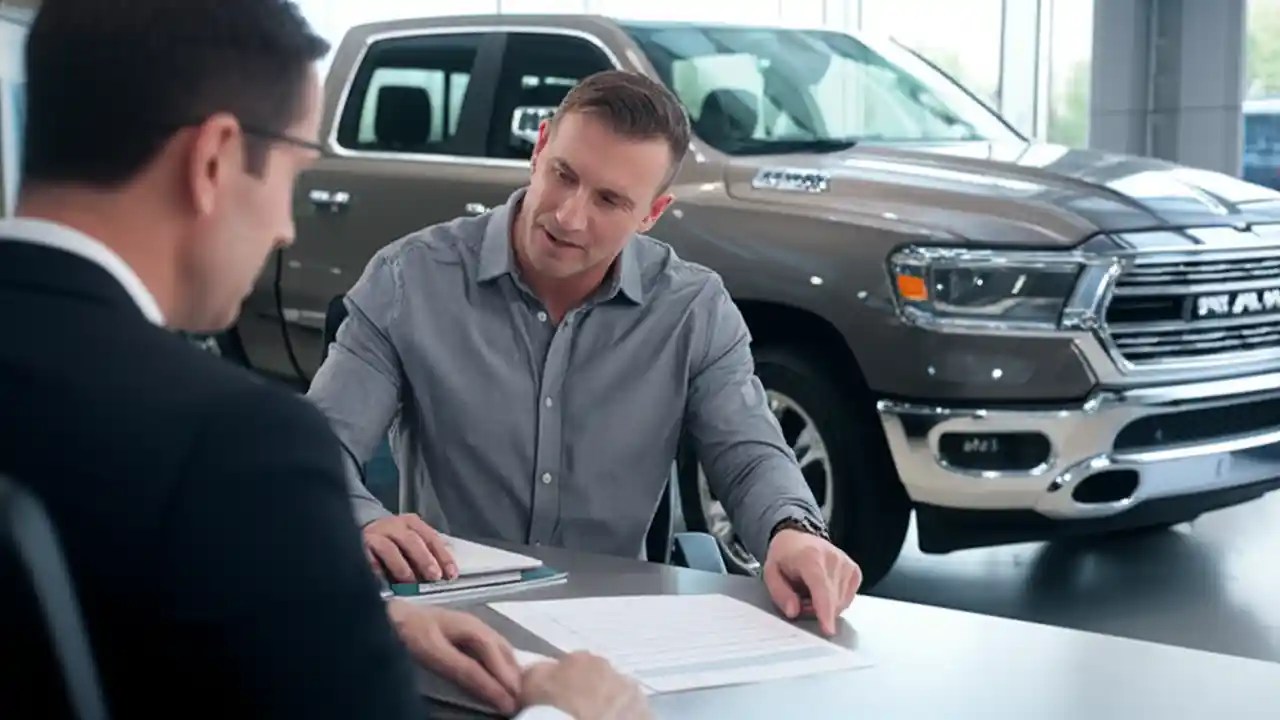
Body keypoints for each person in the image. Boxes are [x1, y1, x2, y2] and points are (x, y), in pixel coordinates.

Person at [0, 1, 647, 719]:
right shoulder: (237, 445)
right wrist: (569, 713)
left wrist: (359, 617)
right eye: (292, 173)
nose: (284, 229)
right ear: (214, 160)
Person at [307, 70, 863, 636]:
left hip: (620, 635)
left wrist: (794, 532)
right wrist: (361, 522)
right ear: (540, 147)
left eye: (609, 200)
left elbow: (749, 456)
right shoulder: (410, 281)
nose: (569, 217)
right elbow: (317, 451)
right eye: (564, 175)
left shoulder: (693, 310)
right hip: (453, 625)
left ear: (651, 213)